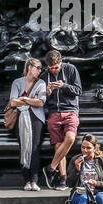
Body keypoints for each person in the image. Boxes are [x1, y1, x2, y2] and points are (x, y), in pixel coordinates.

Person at [41, 50, 82, 191]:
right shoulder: (44, 75)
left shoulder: (71, 69)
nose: (53, 70)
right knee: (58, 147)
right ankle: (62, 178)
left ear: (61, 62)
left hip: (70, 110)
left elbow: (78, 90)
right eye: (50, 68)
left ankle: (50, 168)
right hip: (53, 112)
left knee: (70, 138)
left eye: (56, 67)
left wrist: (63, 86)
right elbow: (41, 99)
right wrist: (46, 93)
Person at [8, 58, 47, 191]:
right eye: (38, 67)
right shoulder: (17, 82)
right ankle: (26, 180)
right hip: (21, 118)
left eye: (41, 68)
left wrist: (23, 99)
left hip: (36, 118)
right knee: (24, 147)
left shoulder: (41, 83)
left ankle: (34, 180)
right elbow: (12, 102)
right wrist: (31, 100)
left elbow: (41, 102)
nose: (40, 70)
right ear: (30, 67)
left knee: (34, 148)